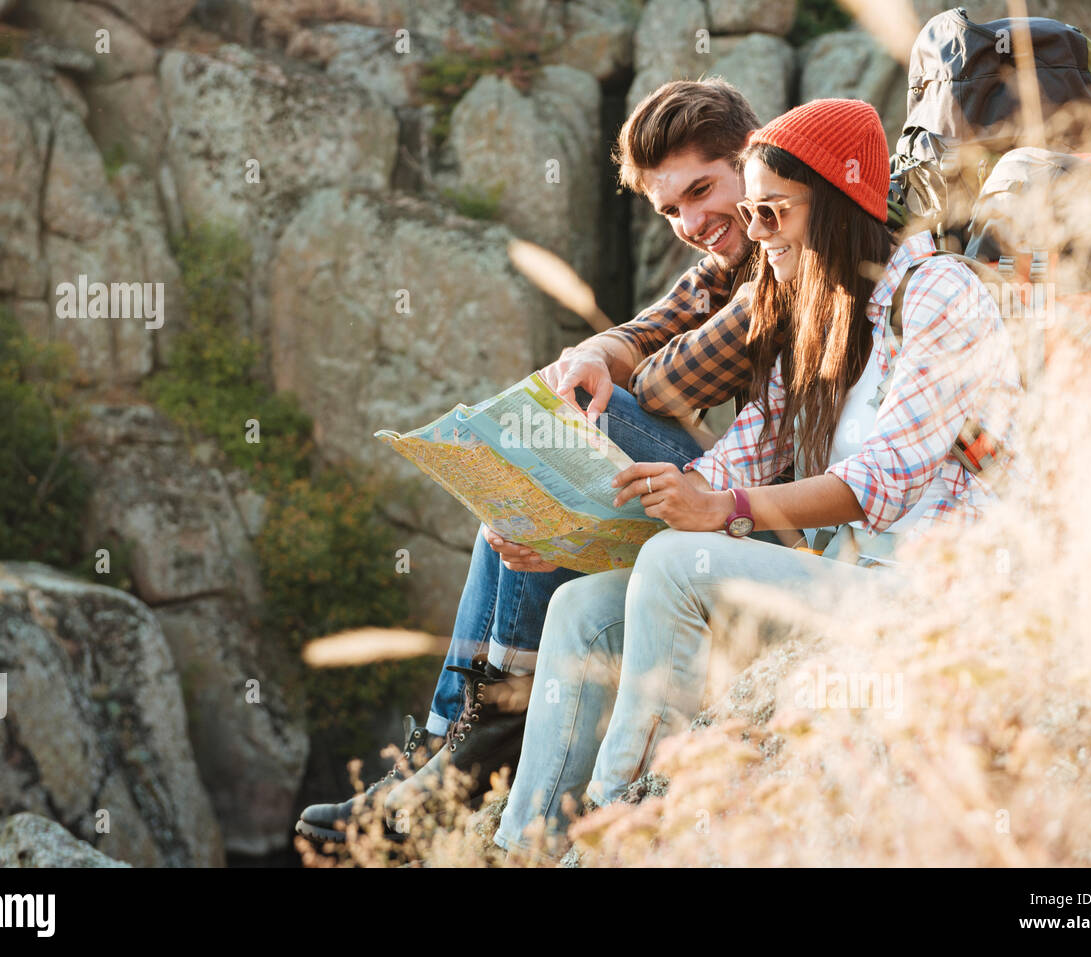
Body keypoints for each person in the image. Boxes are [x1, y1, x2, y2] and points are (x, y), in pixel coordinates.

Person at [493, 98, 1028, 859]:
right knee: (582, 604)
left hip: (929, 600)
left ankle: (619, 823)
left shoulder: (938, 293)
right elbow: (730, 460)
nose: (757, 234)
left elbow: (885, 478)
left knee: (681, 561)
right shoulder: (813, 316)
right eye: (752, 211)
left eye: (773, 212)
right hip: (840, 585)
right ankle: (523, 847)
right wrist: (567, 537)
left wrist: (723, 509)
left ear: (841, 202)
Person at [296, 78, 788, 847]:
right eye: (670, 210)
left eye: (703, 190)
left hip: (776, 533)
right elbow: (644, 328)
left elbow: (668, 378)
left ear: (750, 162)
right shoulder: (730, 260)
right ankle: (444, 742)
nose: (692, 222)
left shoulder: (791, 253)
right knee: (513, 495)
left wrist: (617, 372)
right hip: (723, 497)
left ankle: (482, 738)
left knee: (605, 415)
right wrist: (596, 351)